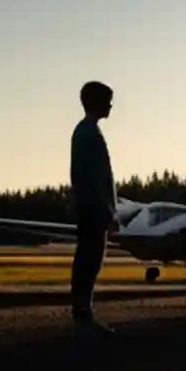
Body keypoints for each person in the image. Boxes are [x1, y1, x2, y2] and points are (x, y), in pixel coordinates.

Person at [69, 80, 118, 335]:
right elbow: (93, 177)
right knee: (89, 259)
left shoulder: (86, 132)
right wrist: (107, 211)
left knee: (89, 258)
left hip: (91, 207)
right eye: (108, 100)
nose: (111, 105)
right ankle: (83, 312)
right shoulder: (88, 134)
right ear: (97, 102)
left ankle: (83, 310)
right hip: (93, 209)